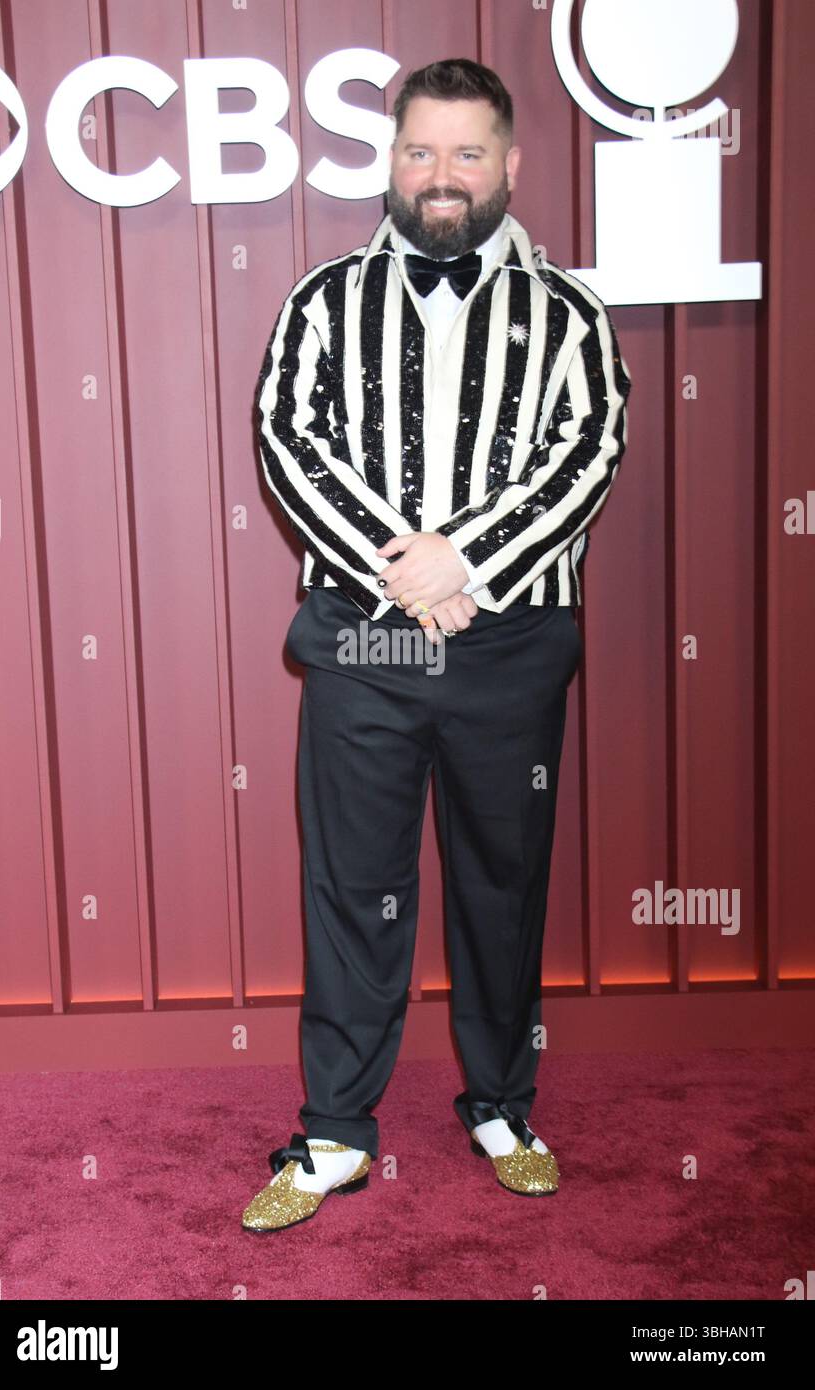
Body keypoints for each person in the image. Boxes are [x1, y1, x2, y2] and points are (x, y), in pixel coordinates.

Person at [242, 57, 632, 1233]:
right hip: (364, 640)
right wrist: (403, 573)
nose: (441, 174)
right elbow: (286, 438)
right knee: (350, 889)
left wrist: (461, 560)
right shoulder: (321, 300)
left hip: (509, 644)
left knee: (502, 886)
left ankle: (501, 1105)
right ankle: (334, 1132)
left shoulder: (570, 312)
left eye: (467, 152)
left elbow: (587, 451)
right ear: (392, 160)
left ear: (508, 163)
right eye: (420, 150)